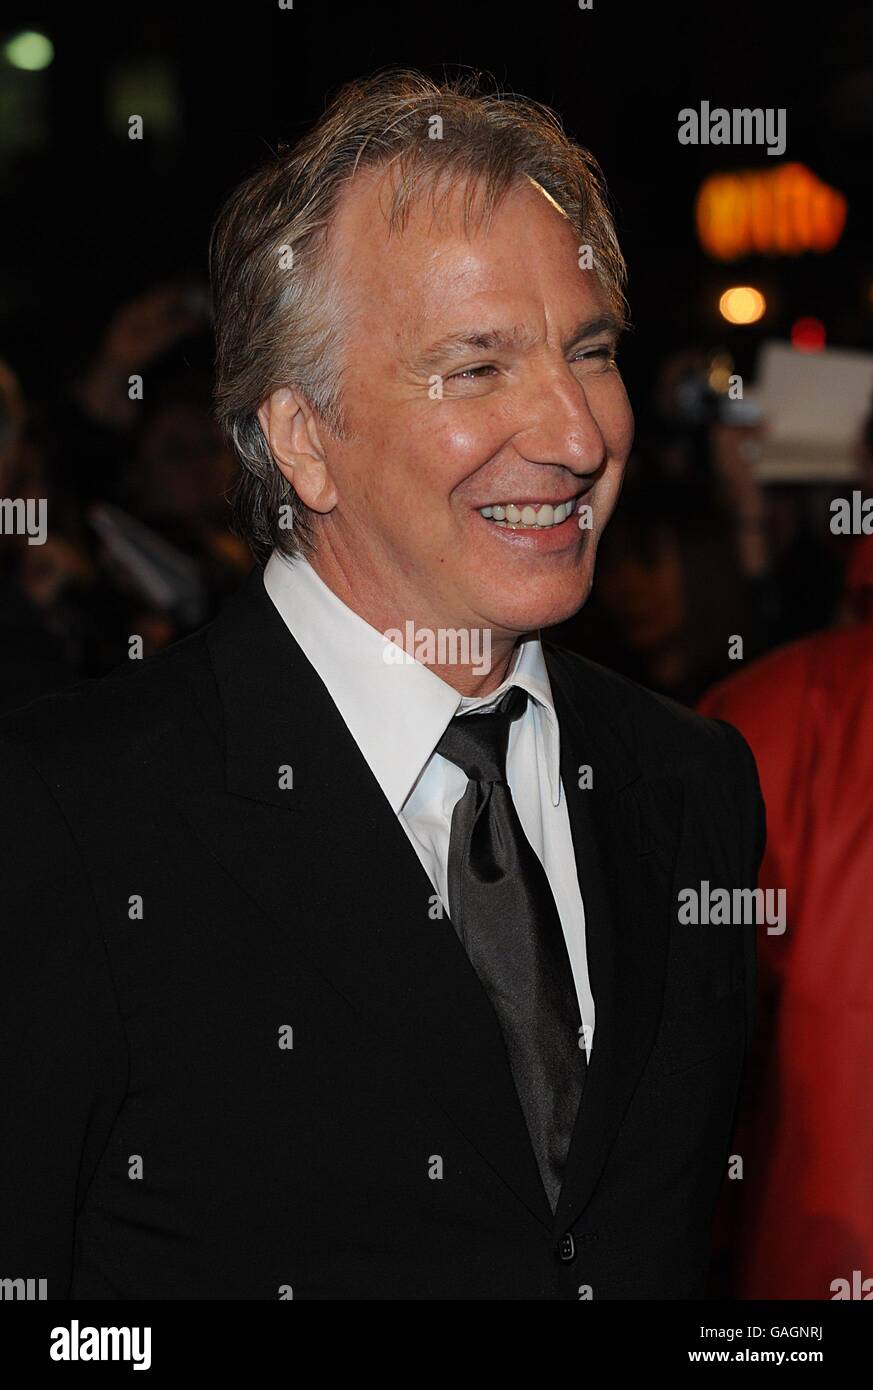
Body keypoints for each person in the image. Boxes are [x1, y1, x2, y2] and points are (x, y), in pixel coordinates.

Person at [0, 68, 764, 1300]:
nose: (577, 435)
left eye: (592, 351)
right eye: (476, 369)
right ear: (302, 434)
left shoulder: (693, 783)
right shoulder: (68, 818)